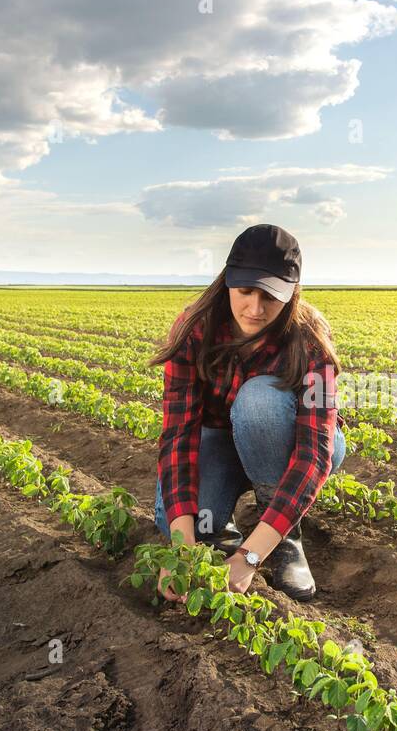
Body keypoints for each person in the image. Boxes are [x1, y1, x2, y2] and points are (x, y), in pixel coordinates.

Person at [148, 224, 346, 603]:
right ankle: (223, 528)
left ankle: (284, 537)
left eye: (271, 297)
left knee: (259, 401)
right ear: (227, 282)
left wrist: (250, 558)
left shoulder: (310, 338)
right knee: (183, 522)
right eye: (245, 292)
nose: (255, 309)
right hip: (223, 442)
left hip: (285, 439)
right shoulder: (194, 328)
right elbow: (178, 438)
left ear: (291, 295)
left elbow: (313, 454)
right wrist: (181, 549)